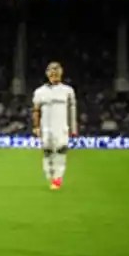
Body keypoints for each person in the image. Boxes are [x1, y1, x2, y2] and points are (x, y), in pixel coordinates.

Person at [32, 61, 78, 190]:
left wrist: (73, 128)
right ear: (47, 73)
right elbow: (36, 110)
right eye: (51, 70)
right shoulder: (40, 92)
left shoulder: (68, 91)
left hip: (62, 127)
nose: (54, 73)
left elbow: (72, 110)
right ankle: (51, 175)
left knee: (61, 151)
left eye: (56, 70)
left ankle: (58, 178)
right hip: (45, 127)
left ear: (61, 72)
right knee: (47, 152)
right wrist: (36, 126)